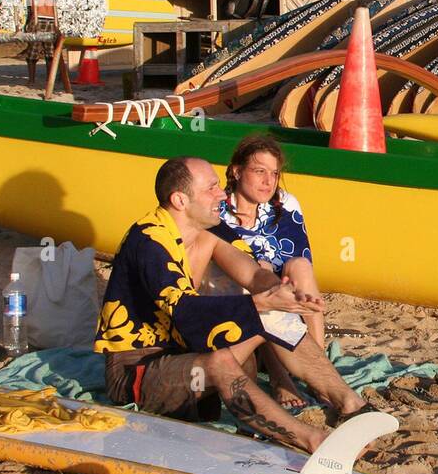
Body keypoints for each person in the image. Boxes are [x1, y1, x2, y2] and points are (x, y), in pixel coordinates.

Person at [96, 157, 374, 451]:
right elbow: (185, 311)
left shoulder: (211, 228)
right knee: (221, 360)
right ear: (179, 200)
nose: (222, 194)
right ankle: (313, 441)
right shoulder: (148, 241)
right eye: (212, 188)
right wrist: (257, 304)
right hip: (137, 370)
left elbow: (253, 273)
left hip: (187, 350)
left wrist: (278, 294)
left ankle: (351, 406)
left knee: (271, 315)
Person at [216, 136, 327, 403]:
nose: (269, 181)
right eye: (259, 171)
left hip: (287, 300)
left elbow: (301, 258)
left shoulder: (285, 203)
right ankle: (280, 377)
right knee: (259, 271)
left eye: (274, 173)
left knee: (298, 267)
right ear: (236, 170)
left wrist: (284, 286)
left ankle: (319, 369)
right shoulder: (216, 209)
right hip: (236, 305)